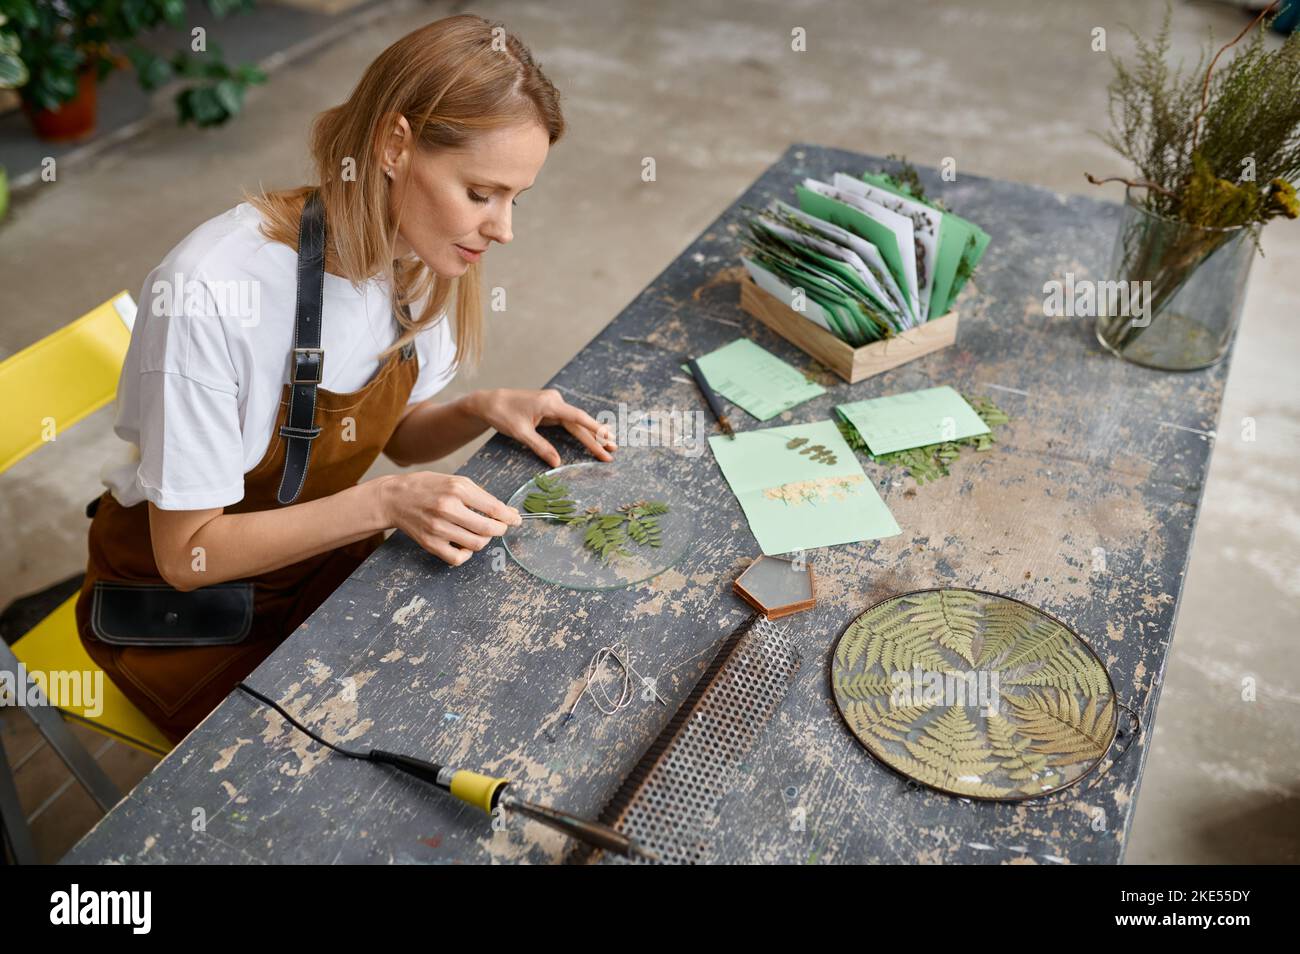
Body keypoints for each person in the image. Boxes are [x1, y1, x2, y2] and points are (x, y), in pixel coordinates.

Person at [74, 14, 615, 744]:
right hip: (182, 616)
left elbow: (394, 439)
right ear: (395, 145)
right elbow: (187, 555)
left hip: (312, 561)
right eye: (482, 193)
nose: (503, 229)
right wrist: (386, 504)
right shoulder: (213, 292)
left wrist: (484, 409)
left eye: (518, 199)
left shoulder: (425, 258)